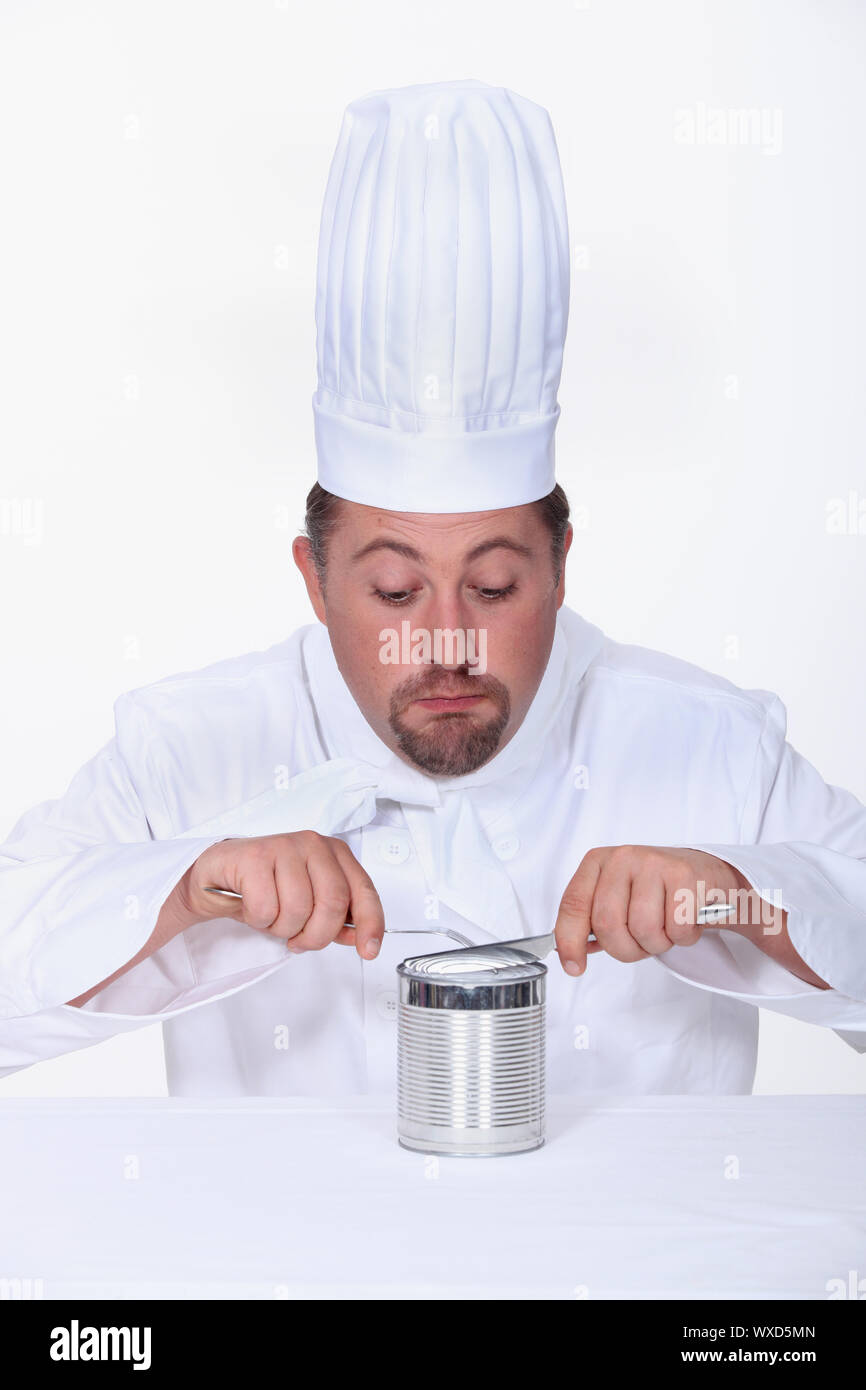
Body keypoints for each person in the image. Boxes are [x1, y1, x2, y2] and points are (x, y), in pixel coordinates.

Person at [2, 80, 864, 1097]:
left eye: (494, 586)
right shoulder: (186, 746)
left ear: (557, 567)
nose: (447, 642)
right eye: (395, 595)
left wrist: (738, 899)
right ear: (314, 581)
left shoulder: (708, 744)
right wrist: (193, 889)